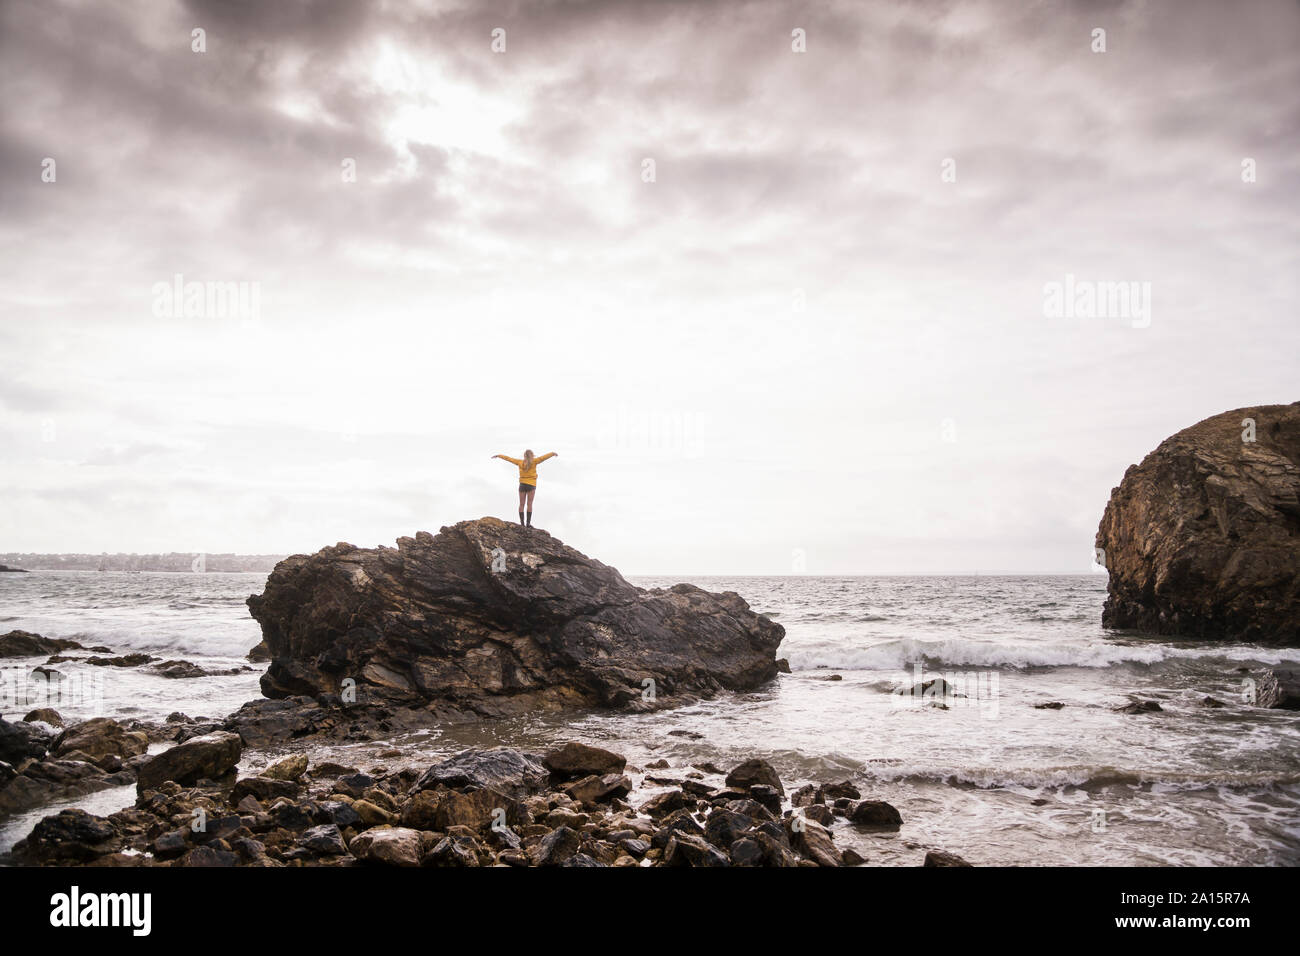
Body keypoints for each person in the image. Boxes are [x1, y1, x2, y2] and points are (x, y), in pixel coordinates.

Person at [491, 449, 557, 527]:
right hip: (531, 485)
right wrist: (552, 453)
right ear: (532, 455)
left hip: (522, 485)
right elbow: (543, 457)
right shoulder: (535, 461)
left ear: (524, 455)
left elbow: (509, 459)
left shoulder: (519, 462)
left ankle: (522, 524)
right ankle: (528, 524)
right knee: (529, 504)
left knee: (521, 504)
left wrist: (499, 455)